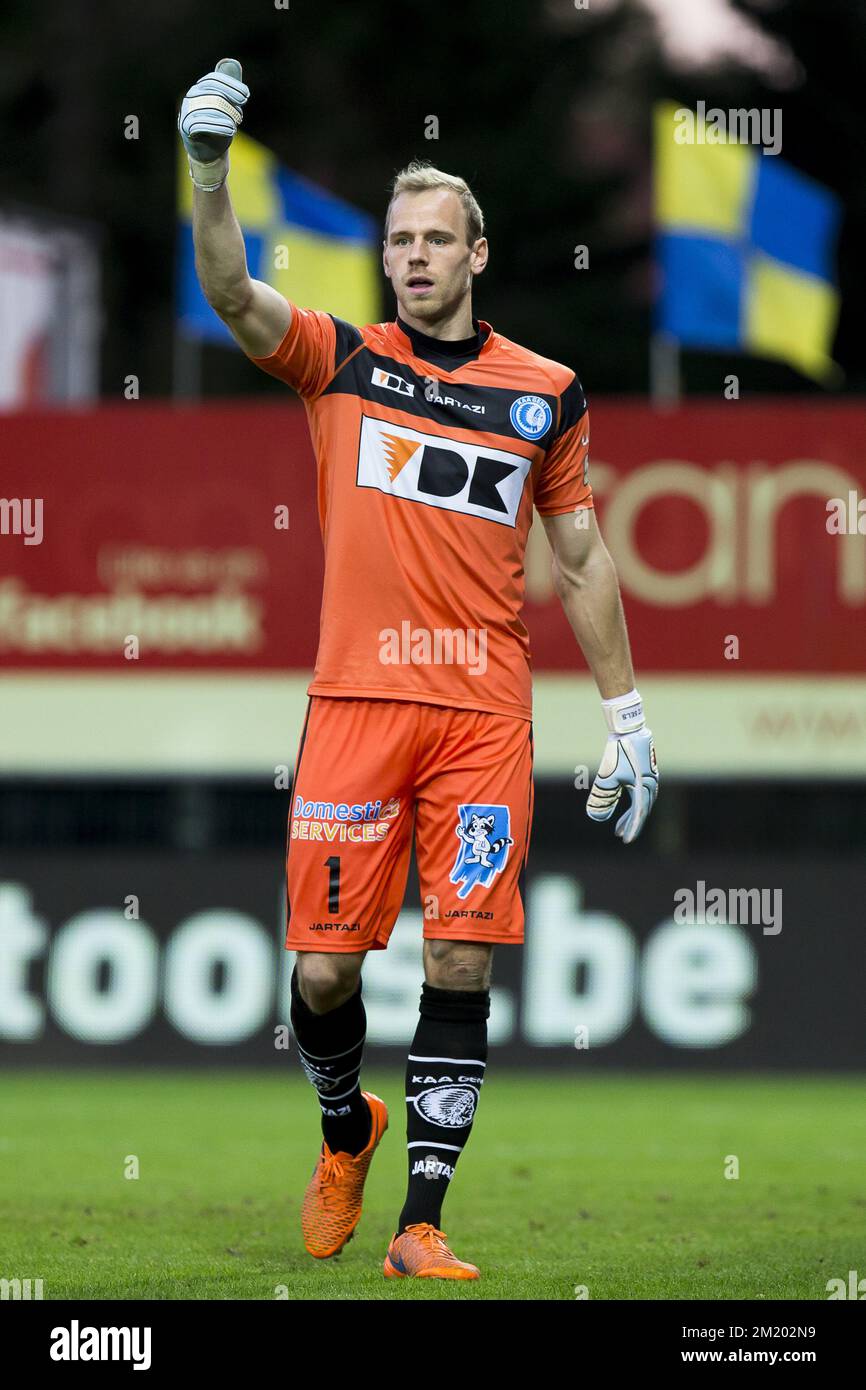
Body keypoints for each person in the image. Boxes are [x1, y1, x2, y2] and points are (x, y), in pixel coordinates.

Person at [179, 59, 658, 1282]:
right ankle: (346, 1130)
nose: (413, 255)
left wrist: (629, 717)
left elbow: (582, 552)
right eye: (399, 239)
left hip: (482, 714)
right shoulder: (339, 361)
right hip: (353, 704)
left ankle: (419, 1222)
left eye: (437, 238)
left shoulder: (545, 392)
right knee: (326, 969)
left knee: (458, 958)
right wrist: (204, 164)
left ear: (478, 255)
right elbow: (232, 292)